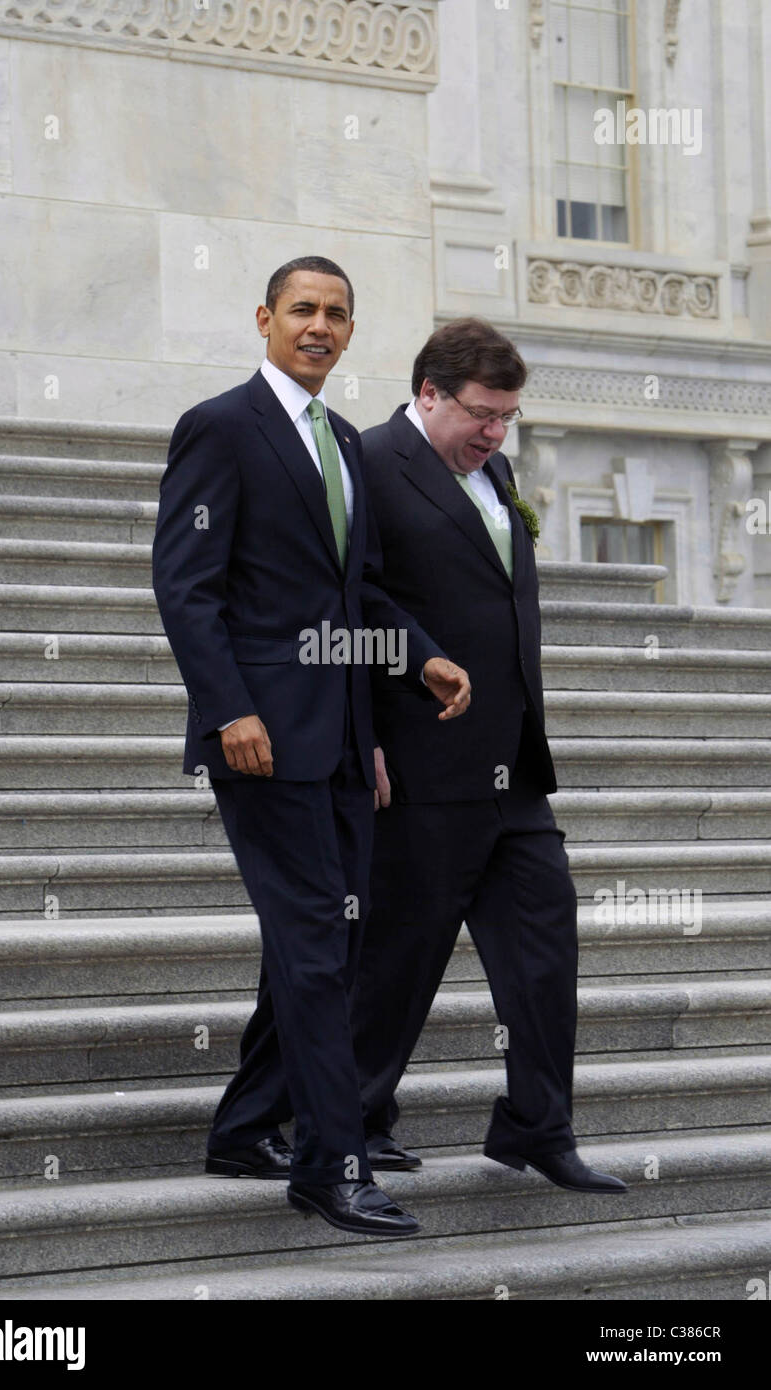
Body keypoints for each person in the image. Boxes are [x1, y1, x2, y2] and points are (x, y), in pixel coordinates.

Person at [152, 257, 471, 1237]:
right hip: (261, 739)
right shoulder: (222, 427)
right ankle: (332, 1165)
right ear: (265, 320)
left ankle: (247, 1127)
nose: (320, 325)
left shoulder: (339, 440)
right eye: (303, 310)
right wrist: (228, 708)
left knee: (325, 942)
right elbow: (186, 583)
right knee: (317, 949)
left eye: (337, 312)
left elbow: (356, 596)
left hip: (338, 738)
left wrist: (417, 662)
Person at [350, 317, 626, 1194]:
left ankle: (536, 1128)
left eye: (508, 416)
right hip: (421, 765)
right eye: (482, 414)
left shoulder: (494, 472)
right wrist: (369, 738)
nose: (496, 434)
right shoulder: (364, 463)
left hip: (514, 766)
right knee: (401, 958)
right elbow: (349, 600)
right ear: (428, 393)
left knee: (545, 951)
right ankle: (351, 1119)